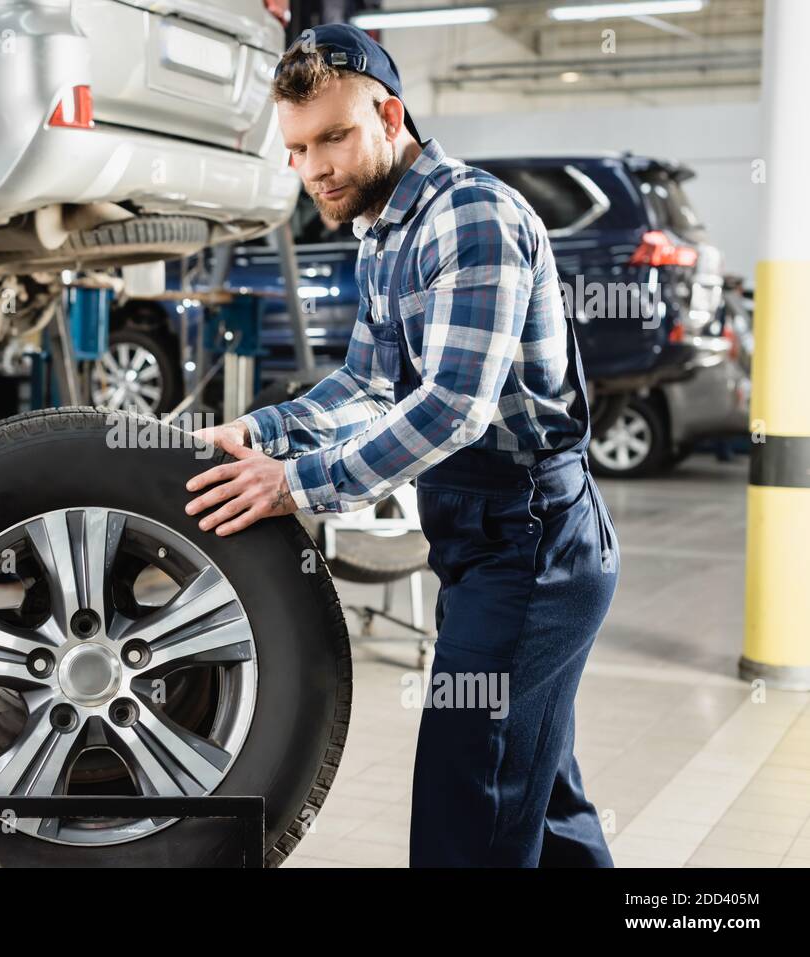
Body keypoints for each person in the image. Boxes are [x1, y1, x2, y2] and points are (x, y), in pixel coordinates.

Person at [185, 23, 619, 867]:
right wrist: (259, 431)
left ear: (390, 116)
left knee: (469, 809)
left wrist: (293, 484)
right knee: (541, 798)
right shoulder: (383, 233)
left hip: (533, 542)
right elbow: (367, 385)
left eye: (334, 137)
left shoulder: (472, 215)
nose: (315, 169)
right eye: (298, 149)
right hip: (481, 544)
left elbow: (453, 408)